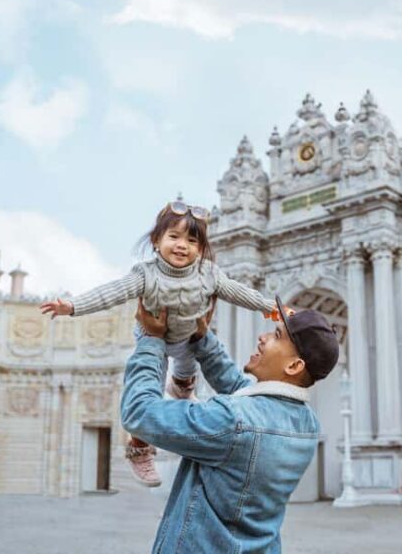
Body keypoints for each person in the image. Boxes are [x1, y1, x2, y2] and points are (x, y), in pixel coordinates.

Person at [39, 200, 279, 487]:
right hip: (154, 339)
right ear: (156, 241)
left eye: (192, 240)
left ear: (201, 249)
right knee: (149, 390)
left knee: (190, 366)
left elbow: (238, 292)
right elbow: (110, 293)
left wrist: (270, 307)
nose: (182, 245)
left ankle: (181, 386)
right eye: (173, 237)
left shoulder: (209, 274)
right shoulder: (145, 274)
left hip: (190, 335)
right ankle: (139, 448)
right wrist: (72, 306)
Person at [125, 294, 339, 553]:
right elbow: (243, 390)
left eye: (277, 336)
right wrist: (202, 339)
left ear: (294, 365)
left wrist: (150, 340)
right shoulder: (306, 424)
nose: (263, 337)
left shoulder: (233, 420)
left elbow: (138, 412)